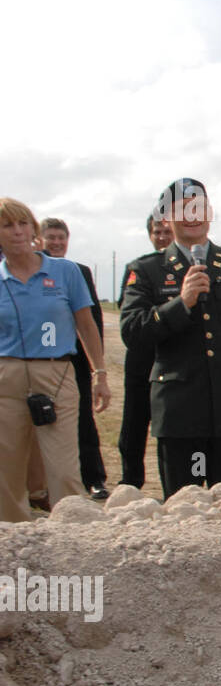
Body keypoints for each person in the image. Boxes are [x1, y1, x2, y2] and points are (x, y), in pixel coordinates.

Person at [120, 178, 221, 497]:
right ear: (166, 216)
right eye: (183, 208)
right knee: (185, 505)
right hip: (181, 414)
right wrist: (181, 304)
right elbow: (133, 331)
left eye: (199, 207)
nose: (192, 215)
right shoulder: (147, 270)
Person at [1, 198, 111, 522]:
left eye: (23, 223)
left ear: (34, 230)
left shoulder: (65, 272)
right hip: (6, 376)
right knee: (7, 467)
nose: (18, 231)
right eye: (8, 225)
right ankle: (14, 544)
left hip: (57, 373)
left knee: (63, 467)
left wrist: (100, 374)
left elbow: (86, 324)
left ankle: (72, 538)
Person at [37, 218, 109, 500]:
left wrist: (97, 366)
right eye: (50, 238)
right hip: (37, 359)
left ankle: (93, 478)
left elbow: (92, 321)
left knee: (82, 420)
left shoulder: (77, 272)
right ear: (38, 240)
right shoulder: (26, 272)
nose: (56, 243)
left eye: (61, 238)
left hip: (75, 359)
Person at [117, 213, 174, 488]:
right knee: (134, 425)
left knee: (171, 430)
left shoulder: (188, 269)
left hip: (173, 360)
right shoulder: (138, 268)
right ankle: (130, 483)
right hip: (142, 358)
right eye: (156, 232)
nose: (162, 237)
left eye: (166, 231)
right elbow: (129, 317)